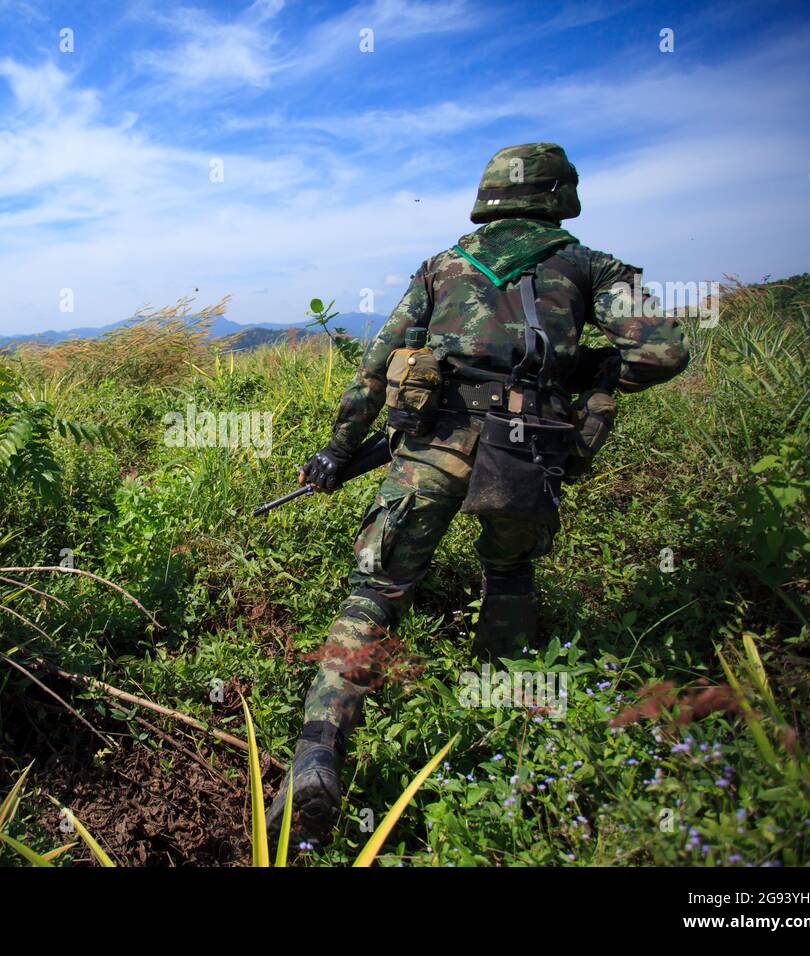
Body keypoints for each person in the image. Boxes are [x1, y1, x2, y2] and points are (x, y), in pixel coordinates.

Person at [267, 142, 691, 844]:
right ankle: (505, 748)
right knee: (510, 571)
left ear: (487, 195)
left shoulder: (441, 266)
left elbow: (373, 372)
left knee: (372, 595)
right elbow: (663, 351)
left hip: (431, 447)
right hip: (526, 451)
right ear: (559, 195)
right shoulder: (589, 266)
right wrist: (586, 371)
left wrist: (338, 451)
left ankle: (316, 754)